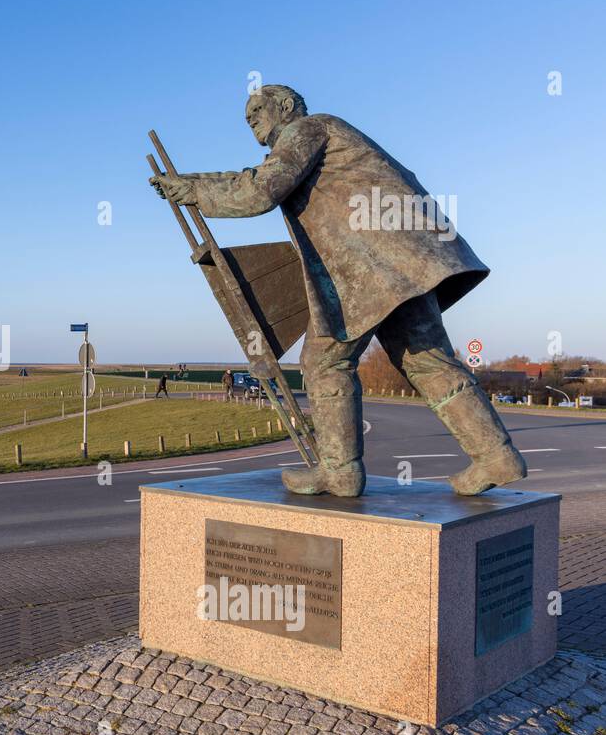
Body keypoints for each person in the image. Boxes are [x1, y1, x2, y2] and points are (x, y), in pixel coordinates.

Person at [150, 84, 523, 497]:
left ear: (286, 107)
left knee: (324, 360)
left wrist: (195, 193)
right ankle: (496, 455)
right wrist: (190, 182)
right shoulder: (311, 137)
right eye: (247, 115)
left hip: (369, 265)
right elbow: (252, 177)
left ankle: (340, 471)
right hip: (398, 261)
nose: (250, 118)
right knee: (428, 361)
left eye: (257, 108)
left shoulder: (308, 128)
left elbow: (262, 189)